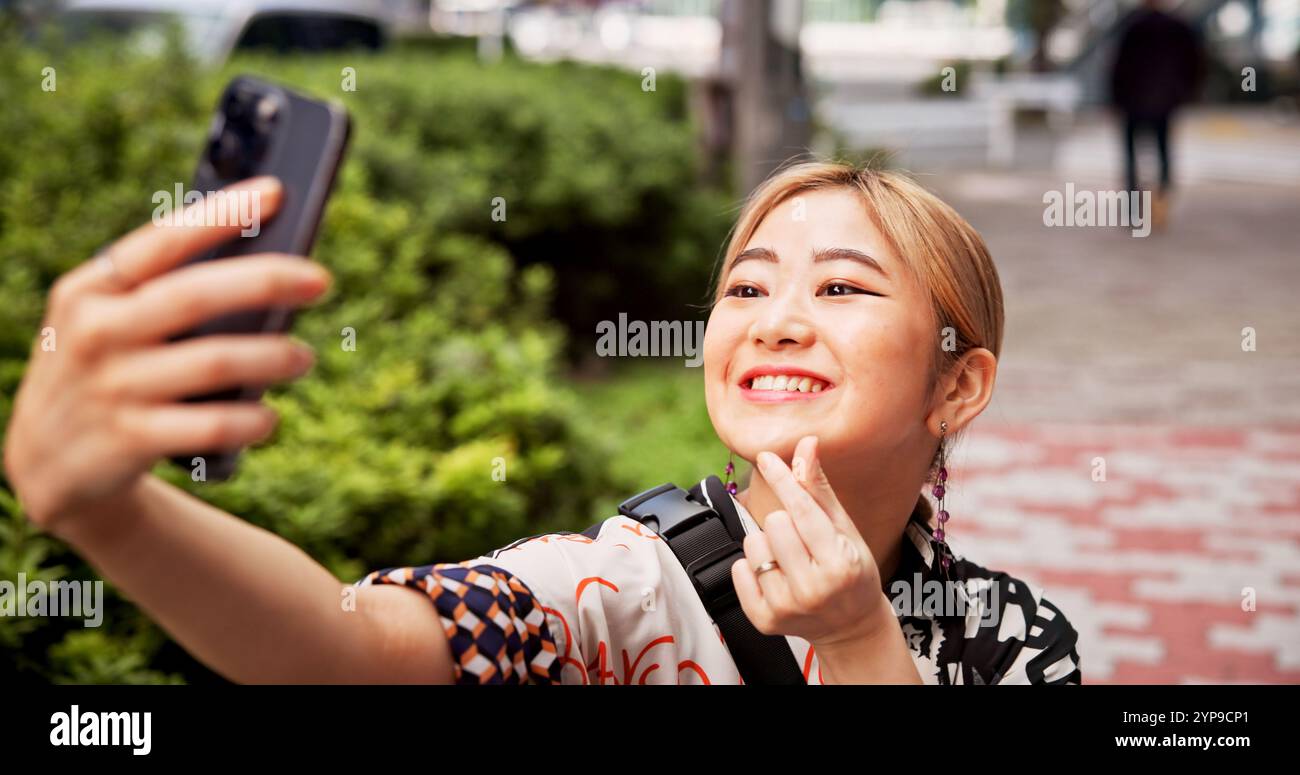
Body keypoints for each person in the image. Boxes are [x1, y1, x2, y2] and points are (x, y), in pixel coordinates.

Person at [3, 162, 1082, 684]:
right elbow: (346, 652)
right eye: (746, 291)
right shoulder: (623, 589)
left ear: (958, 385)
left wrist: (856, 641)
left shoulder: (1016, 640)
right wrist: (112, 515)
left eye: (841, 291)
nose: (776, 323)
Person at [1109, 0, 1205, 229]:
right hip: (1165, 102)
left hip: (1133, 101)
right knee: (1163, 155)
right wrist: (1184, 93)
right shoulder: (1178, 27)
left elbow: (1118, 65)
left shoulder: (1132, 25)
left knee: (1132, 158)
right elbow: (1195, 63)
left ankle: (1134, 212)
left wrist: (1115, 98)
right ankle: (1160, 207)